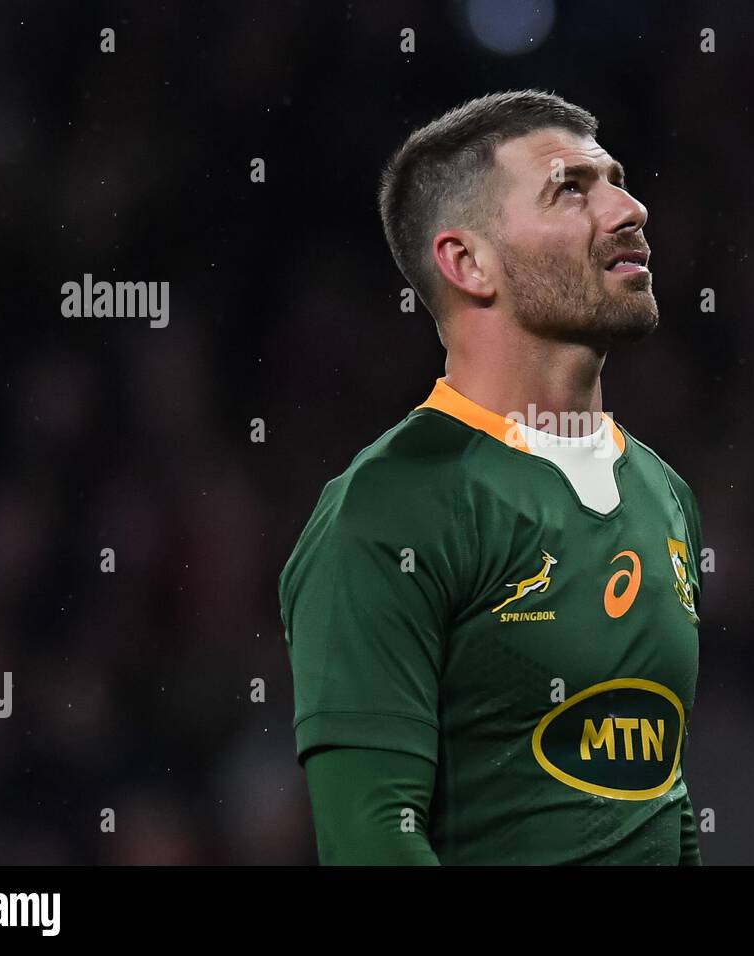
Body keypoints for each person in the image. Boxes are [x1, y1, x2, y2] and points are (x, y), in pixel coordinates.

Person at [279, 90, 704, 864]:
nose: (630, 208)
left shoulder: (664, 494)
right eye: (570, 189)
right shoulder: (390, 508)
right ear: (468, 262)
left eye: (617, 178)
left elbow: (665, 810)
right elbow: (370, 838)